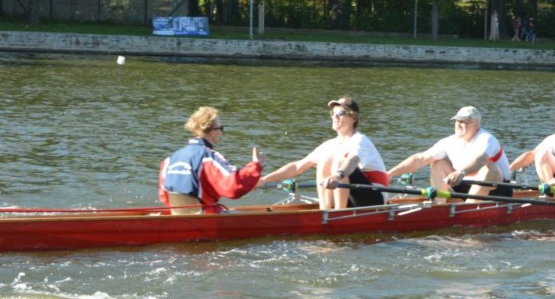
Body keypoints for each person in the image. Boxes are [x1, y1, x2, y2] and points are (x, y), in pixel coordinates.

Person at [259, 97, 388, 210]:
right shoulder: (330, 144)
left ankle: (338, 213)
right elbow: (298, 166)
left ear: (353, 117)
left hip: (374, 198)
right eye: (333, 113)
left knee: (339, 161)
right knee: (324, 160)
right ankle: (325, 211)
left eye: (341, 113)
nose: (335, 117)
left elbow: (352, 160)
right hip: (349, 195)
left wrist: (337, 176)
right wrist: (264, 180)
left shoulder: (360, 141)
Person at [388, 106, 513, 199]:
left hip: (497, 190)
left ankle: (470, 209)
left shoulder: (486, 138)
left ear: (476, 124)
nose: (459, 124)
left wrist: (461, 172)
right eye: (457, 121)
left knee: (489, 167)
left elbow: (481, 159)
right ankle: (439, 205)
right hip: (464, 185)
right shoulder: (450, 141)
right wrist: (390, 173)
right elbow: (420, 159)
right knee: (438, 163)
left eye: (464, 121)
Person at [159, 106, 263, 214]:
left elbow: (164, 196)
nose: (222, 133)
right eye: (221, 128)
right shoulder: (208, 157)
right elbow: (233, 187)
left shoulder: (170, 159)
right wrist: (256, 166)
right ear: (212, 131)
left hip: (178, 214)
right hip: (206, 218)